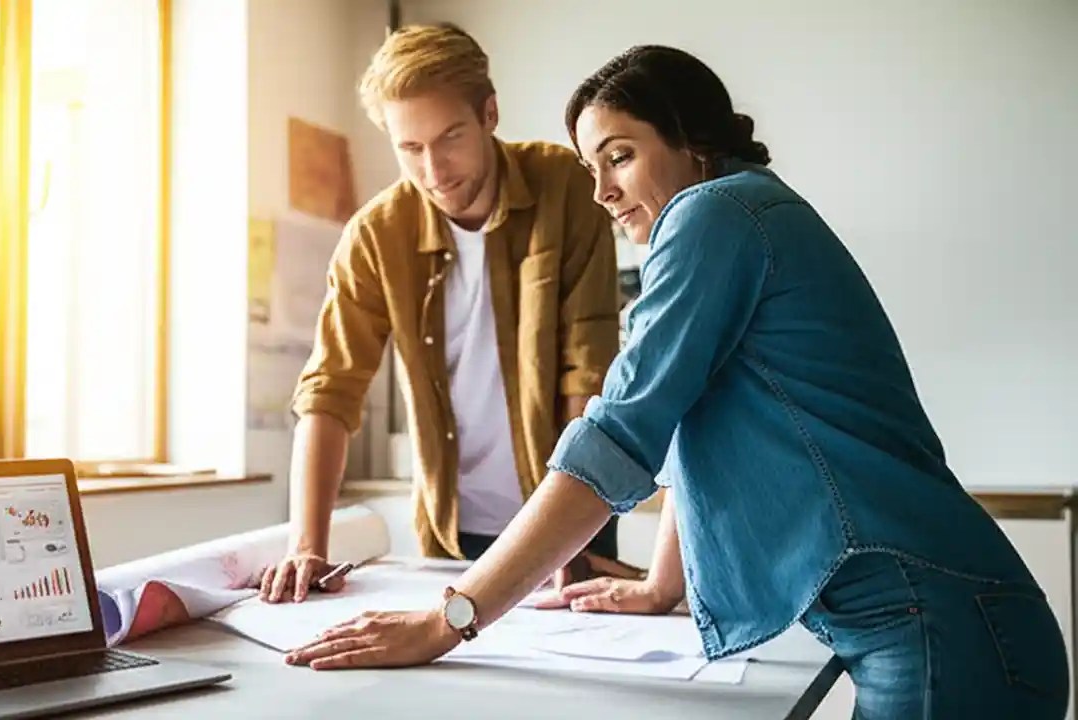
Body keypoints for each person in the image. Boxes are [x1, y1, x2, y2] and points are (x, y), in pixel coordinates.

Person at [283, 45, 1070, 718]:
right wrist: (664, 585)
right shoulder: (747, 213)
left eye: (621, 156)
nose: (602, 191)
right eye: (593, 167)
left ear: (693, 143)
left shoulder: (710, 216)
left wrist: (446, 620)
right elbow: (689, 416)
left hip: (941, 630)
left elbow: (620, 432)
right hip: (948, 621)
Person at [258, 23, 632, 605]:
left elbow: (588, 373)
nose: (434, 169)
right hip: (451, 535)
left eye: (450, 137)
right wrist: (306, 545)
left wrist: (561, 538)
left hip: (566, 518)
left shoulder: (564, 186)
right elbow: (329, 391)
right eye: (410, 148)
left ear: (489, 113)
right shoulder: (376, 235)